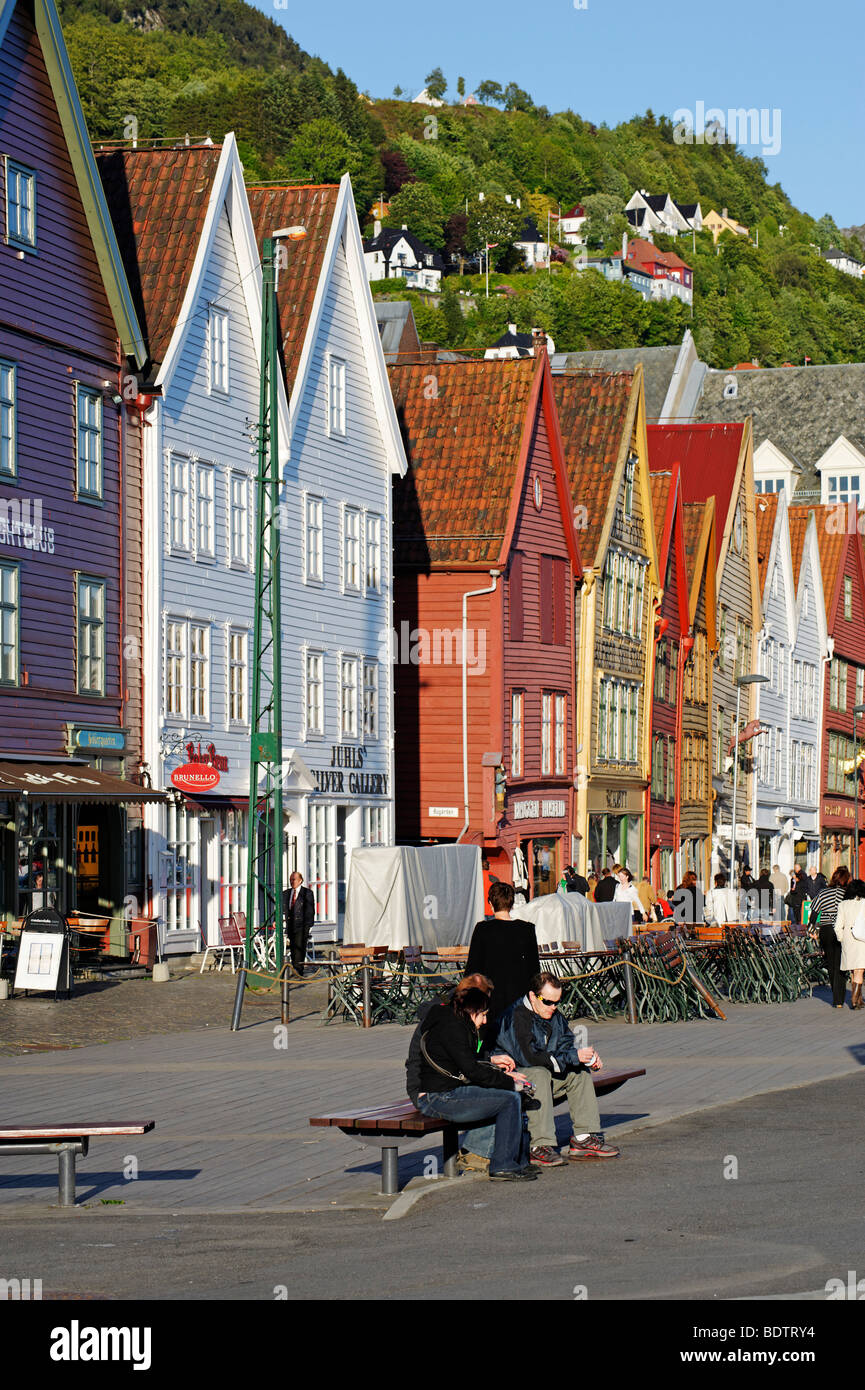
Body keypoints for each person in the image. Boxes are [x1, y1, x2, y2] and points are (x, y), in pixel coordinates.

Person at [410, 985, 538, 1181]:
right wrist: (510, 1083)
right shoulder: (452, 1027)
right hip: (438, 1097)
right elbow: (472, 1070)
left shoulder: (456, 1022)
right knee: (509, 1099)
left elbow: (469, 1064)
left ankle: (519, 1162)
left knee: (513, 1097)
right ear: (472, 1011)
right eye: (483, 1015)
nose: (485, 1020)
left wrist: (505, 1077)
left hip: (448, 1092)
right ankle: (503, 1165)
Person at [496, 972, 620, 1165]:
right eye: (548, 1002)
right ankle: (540, 1145)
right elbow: (530, 1058)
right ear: (532, 996)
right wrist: (573, 1057)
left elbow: (567, 1044)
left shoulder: (552, 1014)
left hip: (541, 1077)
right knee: (539, 1072)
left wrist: (586, 1059)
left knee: (578, 1073)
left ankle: (583, 1139)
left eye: (557, 1002)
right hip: (513, 1079)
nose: (553, 1007)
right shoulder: (515, 1017)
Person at [466, 881, 540, 1021]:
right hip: (521, 1003)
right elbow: (535, 971)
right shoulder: (527, 929)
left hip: (490, 1003)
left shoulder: (482, 930)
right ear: (512, 904)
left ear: (490, 903)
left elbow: (472, 969)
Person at [809, 867, 850, 1009]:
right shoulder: (846, 894)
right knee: (841, 962)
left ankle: (836, 997)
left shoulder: (823, 892)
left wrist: (810, 928)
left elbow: (814, 911)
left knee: (831, 963)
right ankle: (840, 995)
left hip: (826, 930)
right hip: (841, 930)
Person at [834, 879, 865, 1010]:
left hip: (848, 938)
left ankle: (858, 999)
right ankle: (854, 1000)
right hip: (861, 939)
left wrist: (842, 938)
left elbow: (837, 926)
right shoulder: (864, 903)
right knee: (860, 970)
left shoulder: (843, 904)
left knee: (854, 970)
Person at [284, 871, 316, 977]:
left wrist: (308, 926)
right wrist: (276, 920)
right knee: (293, 948)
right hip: (291, 925)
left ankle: (299, 970)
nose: (292, 882)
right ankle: (295, 968)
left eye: (294, 879)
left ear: (300, 880)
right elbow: (281, 908)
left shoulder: (307, 893)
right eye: (290, 880)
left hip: (302, 926)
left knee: (300, 948)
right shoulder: (286, 893)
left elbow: (310, 911)